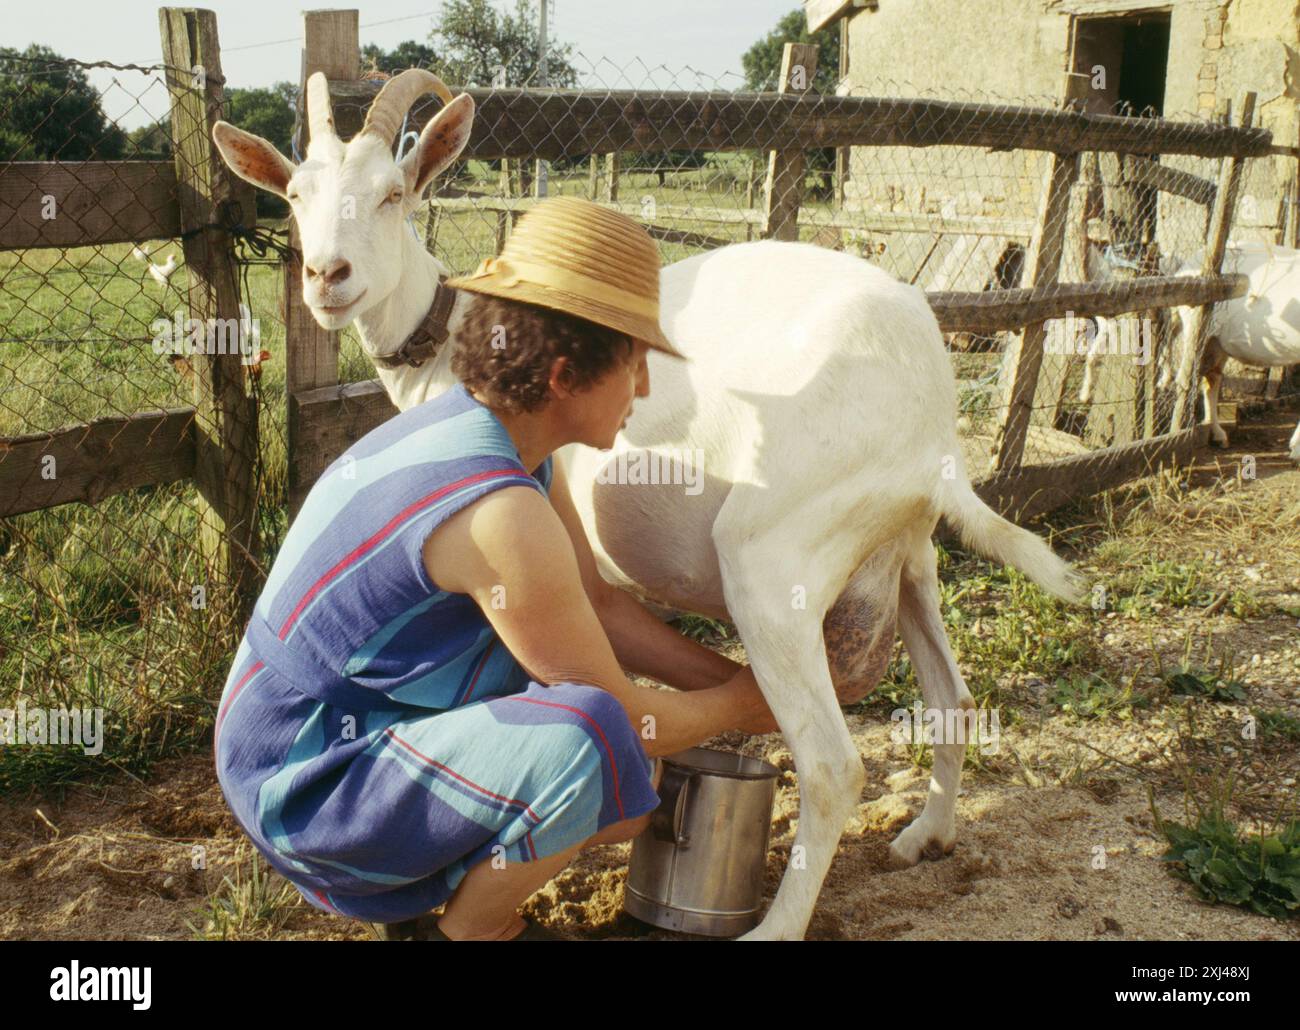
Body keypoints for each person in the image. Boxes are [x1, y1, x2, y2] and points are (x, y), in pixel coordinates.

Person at [213, 195, 776, 942]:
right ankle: (468, 934)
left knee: (625, 791)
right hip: (301, 785)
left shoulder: (483, 436)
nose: (644, 390)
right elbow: (630, 721)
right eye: (636, 364)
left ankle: (421, 897)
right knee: (591, 744)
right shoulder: (501, 513)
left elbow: (600, 606)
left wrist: (738, 683)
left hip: (296, 734)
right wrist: (748, 703)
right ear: (567, 376)